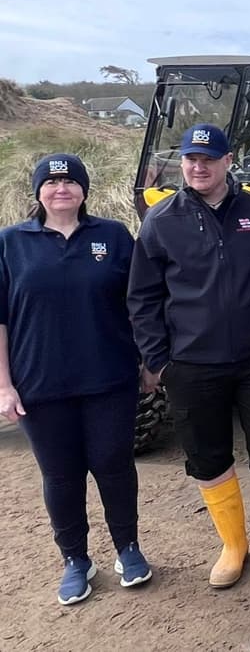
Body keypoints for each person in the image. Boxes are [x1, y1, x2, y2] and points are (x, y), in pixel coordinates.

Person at [128, 124, 250, 588]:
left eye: (208, 159)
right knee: (207, 456)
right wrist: (160, 359)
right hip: (192, 365)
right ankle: (233, 546)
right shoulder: (162, 220)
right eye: (191, 159)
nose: (198, 167)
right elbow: (143, 297)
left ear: (227, 161)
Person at [0, 154, 152, 605]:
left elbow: (139, 303)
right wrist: (4, 385)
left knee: (114, 464)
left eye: (70, 181)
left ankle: (128, 548)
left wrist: (148, 362)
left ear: (84, 190)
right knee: (61, 476)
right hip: (41, 384)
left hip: (109, 378)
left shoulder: (112, 236)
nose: (61, 188)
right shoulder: (11, 243)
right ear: (38, 191)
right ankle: (75, 560)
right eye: (51, 181)